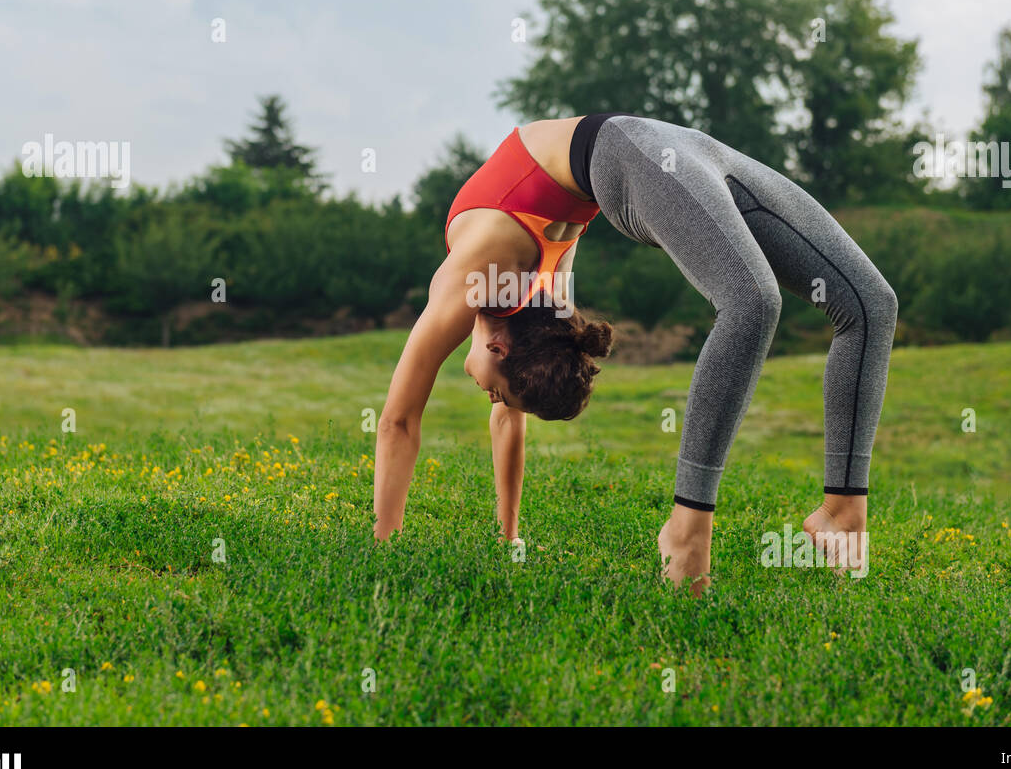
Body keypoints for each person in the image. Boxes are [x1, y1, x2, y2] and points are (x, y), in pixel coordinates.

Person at [373, 113, 897, 595]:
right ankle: (837, 514)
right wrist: (509, 537)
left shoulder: (470, 275)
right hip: (664, 147)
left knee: (846, 303)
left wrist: (384, 547)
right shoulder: (540, 312)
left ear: (496, 345)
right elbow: (509, 417)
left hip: (639, 152)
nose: (490, 396)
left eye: (495, 390)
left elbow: (398, 420)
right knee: (774, 301)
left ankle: (700, 531)